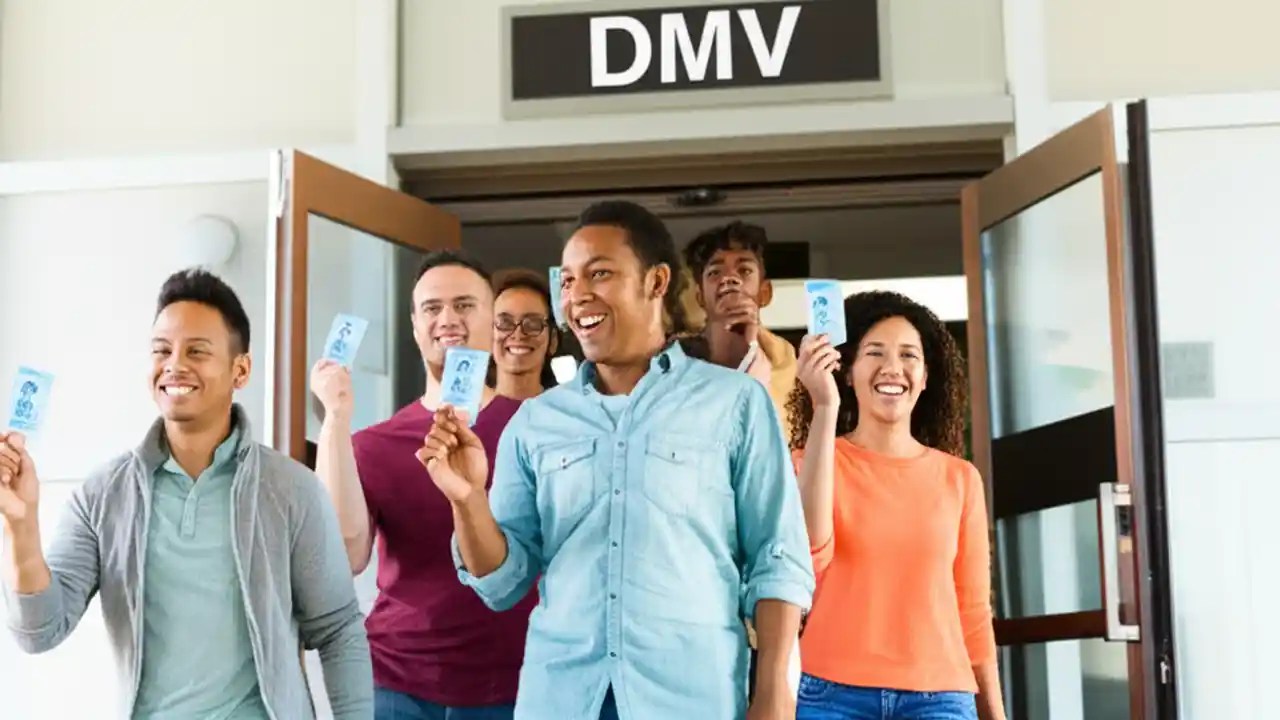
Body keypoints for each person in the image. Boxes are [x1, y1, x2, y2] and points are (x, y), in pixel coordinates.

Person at [422, 200, 814, 719]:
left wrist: (773, 697)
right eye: (567, 281)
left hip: (691, 700)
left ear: (656, 282)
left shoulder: (735, 402)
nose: (577, 295)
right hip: (562, 700)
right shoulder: (537, 421)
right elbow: (502, 583)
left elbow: (778, 559)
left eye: (599, 273)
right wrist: (467, 499)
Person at [0, 268, 372, 719]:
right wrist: (20, 524)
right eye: (162, 350)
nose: (174, 364)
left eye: (197, 350)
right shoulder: (103, 495)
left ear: (240, 370)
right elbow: (39, 631)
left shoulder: (292, 490)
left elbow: (338, 630)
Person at [310, 250, 536, 720]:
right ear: (415, 327)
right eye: (432, 308)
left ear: (493, 320)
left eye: (464, 305)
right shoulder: (373, 443)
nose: (447, 319)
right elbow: (345, 557)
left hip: (516, 683)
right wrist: (335, 417)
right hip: (397, 685)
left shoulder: (536, 428)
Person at [786, 291, 1006, 720]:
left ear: (924, 378)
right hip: (829, 694)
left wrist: (994, 713)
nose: (892, 367)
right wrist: (824, 406)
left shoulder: (960, 478)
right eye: (875, 353)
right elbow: (807, 557)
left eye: (909, 355)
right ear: (848, 372)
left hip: (940, 696)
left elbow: (974, 612)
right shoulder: (808, 462)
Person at [677, 220, 802, 689]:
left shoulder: (793, 370)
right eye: (715, 272)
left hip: (769, 580)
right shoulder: (669, 369)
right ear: (699, 295)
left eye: (744, 270)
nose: (729, 280)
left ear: (764, 291)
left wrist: (751, 358)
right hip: (690, 579)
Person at [491, 269, 560, 399]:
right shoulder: (464, 409)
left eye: (533, 324)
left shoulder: (569, 409)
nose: (518, 334)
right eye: (505, 323)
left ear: (553, 340)